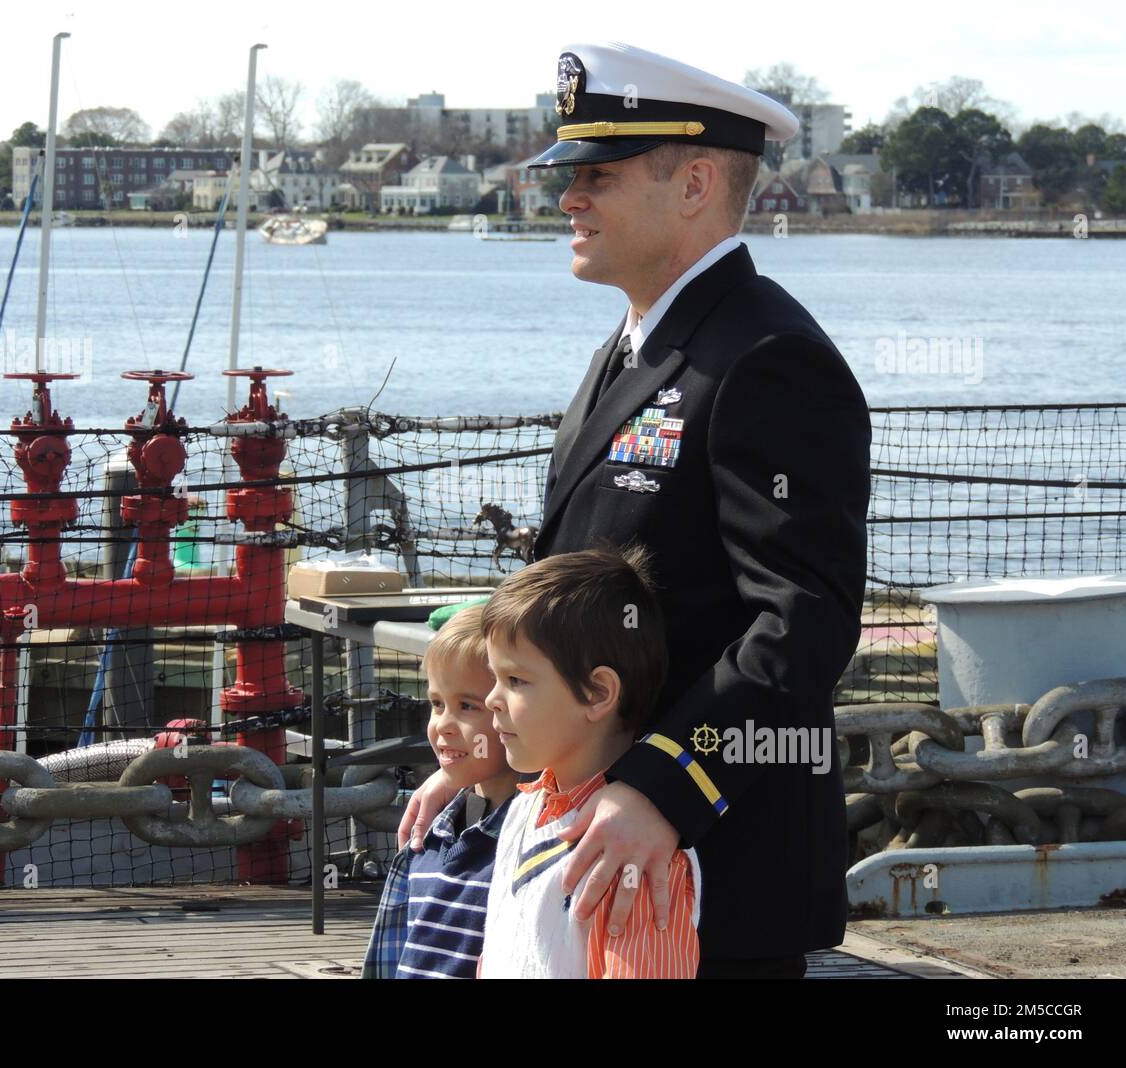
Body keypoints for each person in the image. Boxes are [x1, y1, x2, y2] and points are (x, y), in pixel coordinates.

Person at [400, 40, 872, 979]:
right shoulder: (644, 345)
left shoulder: (766, 357)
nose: (567, 196)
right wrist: (490, 739)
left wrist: (665, 784)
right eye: (570, 174)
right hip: (600, 847)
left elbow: (803, 622)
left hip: (707, 866)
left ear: (694, 182)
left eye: (597, 175)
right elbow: (566, 595)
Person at [476, 544, 700, 979]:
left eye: (516, 680)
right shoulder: (522, 809)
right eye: (495, 678)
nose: (491, 699)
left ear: (598, 693)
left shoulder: (643, 856)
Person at [362, 604, 521, 978]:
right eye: (437, 704)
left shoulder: (531, 843)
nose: (443, 725)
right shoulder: (431, 838)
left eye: (467, 706)